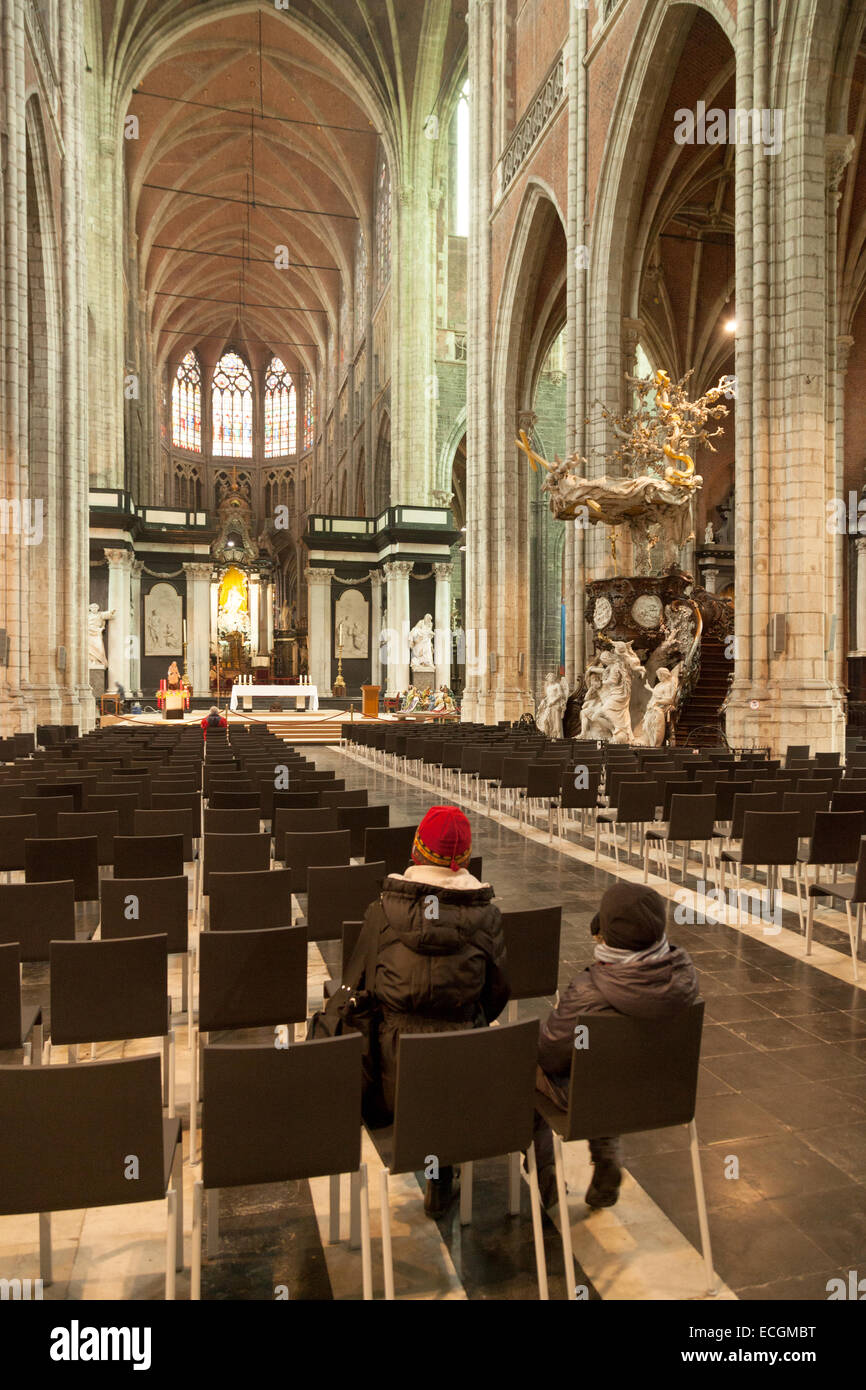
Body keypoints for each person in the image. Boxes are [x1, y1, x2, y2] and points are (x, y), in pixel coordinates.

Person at [363, 805, 509, 1216]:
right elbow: (496, 993)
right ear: (464, 860)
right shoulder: (488, 917)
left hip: (393, 1073)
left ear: (416, 851)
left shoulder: (381, 913)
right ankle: (442, 1170)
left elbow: (365, 987)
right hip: (465, 1069)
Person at [533, 883, 699, 1211]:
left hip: (599, 1098)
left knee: (527, 1061)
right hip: (662, 1095)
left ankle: (544, 1172)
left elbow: (550, 1055)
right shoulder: (683, 977)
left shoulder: (589, 991)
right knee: (603, 1065)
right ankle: (606, 1151)